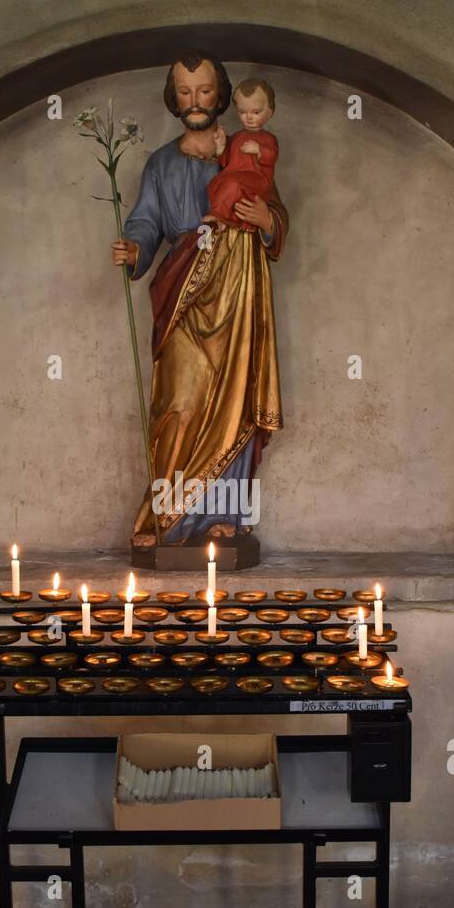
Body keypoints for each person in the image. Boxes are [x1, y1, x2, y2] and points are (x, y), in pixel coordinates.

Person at [110, 53, 288, 548]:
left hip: (239, 288)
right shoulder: (162, 163)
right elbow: (146, 221)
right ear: (173, 97)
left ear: (222, 94)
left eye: (205, 91)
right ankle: (164, 518)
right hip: (183, 286)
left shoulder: (242, 152)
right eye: (185, 91)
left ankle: (221, 518)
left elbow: (273, 210)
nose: (195, 101)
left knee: (234, 401)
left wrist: (267, 220)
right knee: (179, 404)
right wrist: (135, 248)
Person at [205, 78, 279, 232]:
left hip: (257, 181)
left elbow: (272, 156)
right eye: (242, 112)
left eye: (256, 112)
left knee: (233, 184)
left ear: (270, 112)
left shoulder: (268, 139)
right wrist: (221, 147)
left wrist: (259, 150)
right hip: (236, 176)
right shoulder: (237, 137)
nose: (249, 117)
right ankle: (229, 219)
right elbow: (227, 162)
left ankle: (218, 215)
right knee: (216, 184)